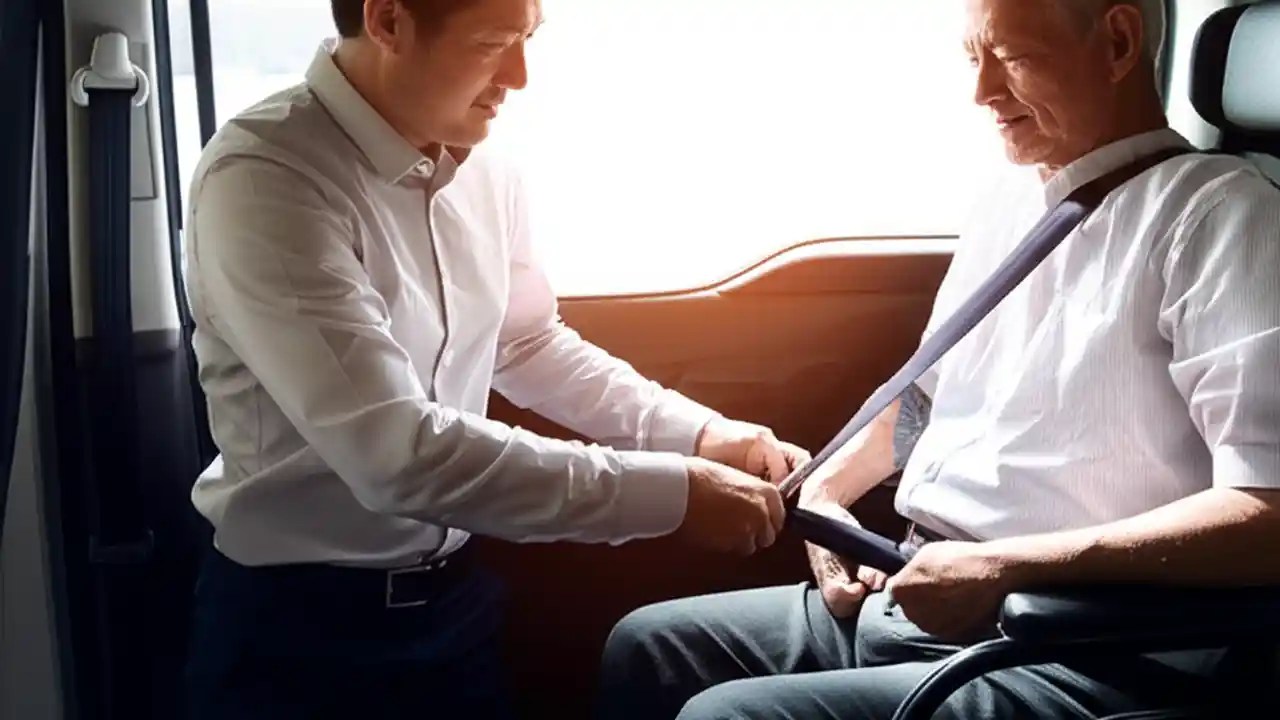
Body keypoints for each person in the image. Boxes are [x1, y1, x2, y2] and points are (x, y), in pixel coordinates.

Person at [596, 0, 1280, 717]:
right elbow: (927, 400)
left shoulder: (1226, 221)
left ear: (1116, 42)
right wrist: (827, 494)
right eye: (973, 58)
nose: (981, 90)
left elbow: (1268, 508)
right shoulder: (1012, 200)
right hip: (924, 589)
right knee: (648, 647)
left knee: (727, 716)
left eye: (1010, 58)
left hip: (1078, 646)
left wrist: (1002, 566)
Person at [180, 0, 808, 717]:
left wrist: (696, 434)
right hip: (297, 632)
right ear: (387, 22)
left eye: (528, 39)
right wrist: (676, 494)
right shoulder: (267, 179)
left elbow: (527, 343)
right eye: (494, 43)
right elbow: (398, 455)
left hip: (457, 606)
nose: (520, 75)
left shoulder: (484, 165)